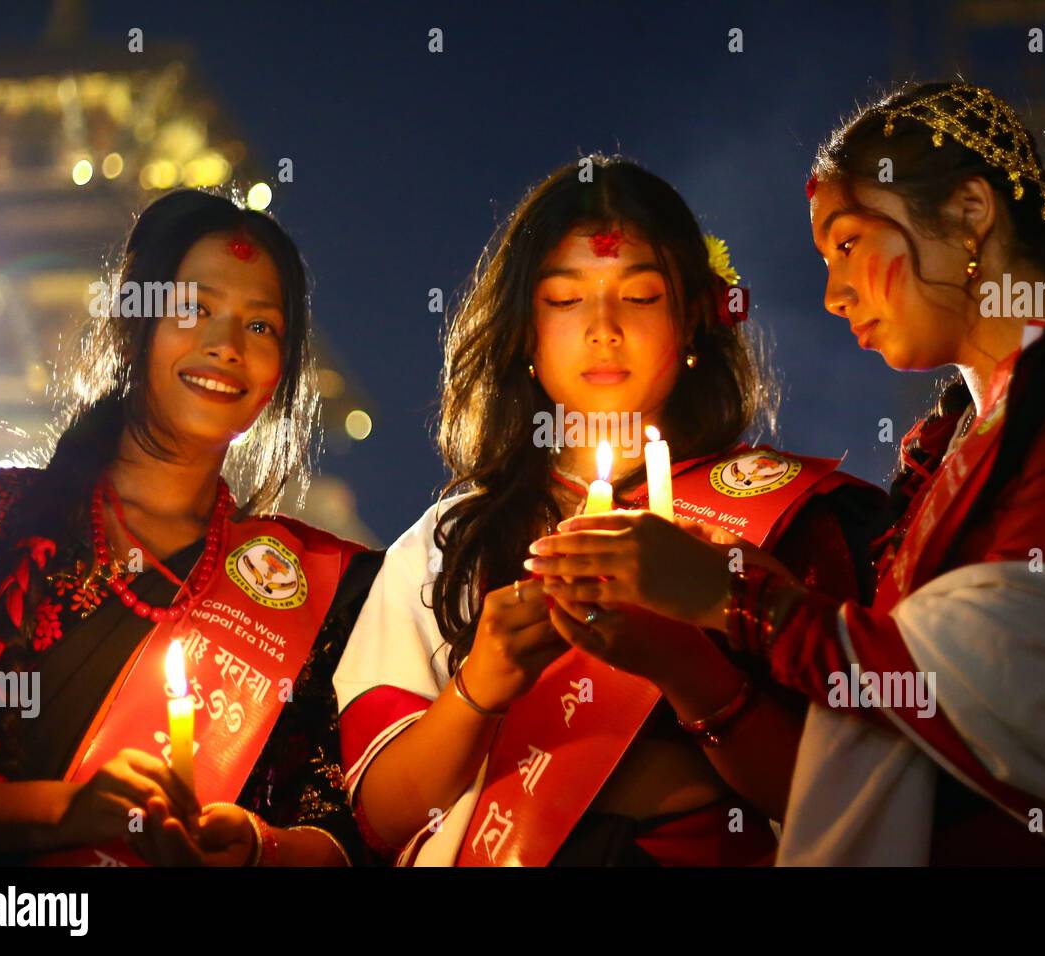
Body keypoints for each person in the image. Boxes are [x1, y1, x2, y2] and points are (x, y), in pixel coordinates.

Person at [539, 83, 1045, 865]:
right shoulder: (954, 440)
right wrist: (693, 638)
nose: (835, 295)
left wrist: (731, 592)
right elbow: (878, 736)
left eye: (847, 244)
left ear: (972, 212)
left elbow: (986, 691)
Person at [334, 155, 885, 866]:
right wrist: (484, 683)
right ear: (524, 332)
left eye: (641, 297)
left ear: (692, 320)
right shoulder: (450, 544)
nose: (603, 329)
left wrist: (691, 668)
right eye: (565, 301)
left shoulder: (788, 520)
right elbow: (384, 818)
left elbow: (857, 799)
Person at [0, 189, 379, 866]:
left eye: (260, 327)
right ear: (132, 326)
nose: (226, 346)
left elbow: (344, 832)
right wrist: (63, 812)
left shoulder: (307, 593)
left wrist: (257, 850)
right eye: (192, 310)